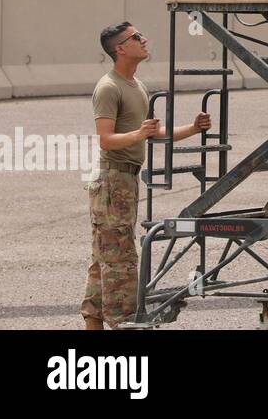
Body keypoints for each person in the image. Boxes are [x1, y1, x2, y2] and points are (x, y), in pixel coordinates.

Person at [83, 22, 211, 329]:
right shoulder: (108, 87)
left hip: (125, 180)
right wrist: (139, 133)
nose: (144, 39)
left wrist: (192, 129)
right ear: (121, 48)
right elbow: (105, 139)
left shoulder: (136, 85)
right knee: (120, 258)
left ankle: (94, 321)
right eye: (136, 37)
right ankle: (122, 323)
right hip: (112, 180)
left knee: (107, 255)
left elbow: (152, 134)